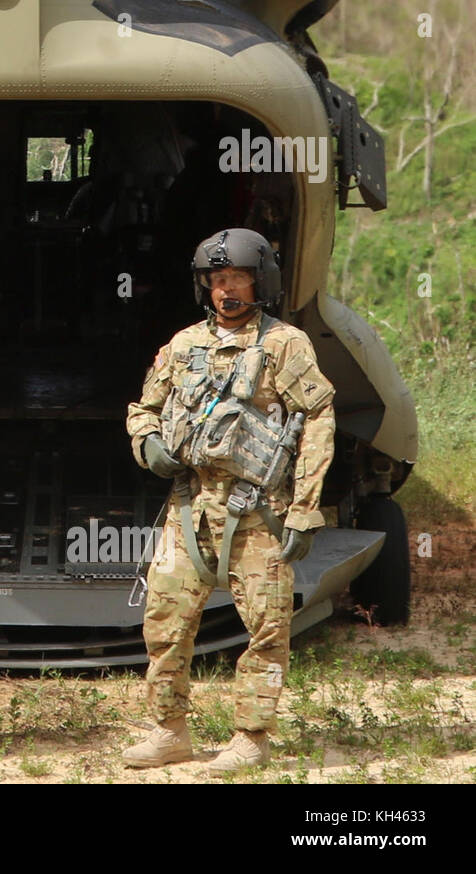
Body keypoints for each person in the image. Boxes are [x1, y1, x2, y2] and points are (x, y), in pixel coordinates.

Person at [124, 228, 335, 773]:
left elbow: (317, 419)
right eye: (217, 281)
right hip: (190, 508)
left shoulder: (285, 345)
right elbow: (143, 408)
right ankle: (170, 731)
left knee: (267, 628)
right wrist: (149, 445)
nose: (227, 291)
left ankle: (251, 737)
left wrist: (305, 508)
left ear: (260, 282)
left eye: (237, 278)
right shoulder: (184, 345)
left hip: (259, 509)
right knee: (164, 623)